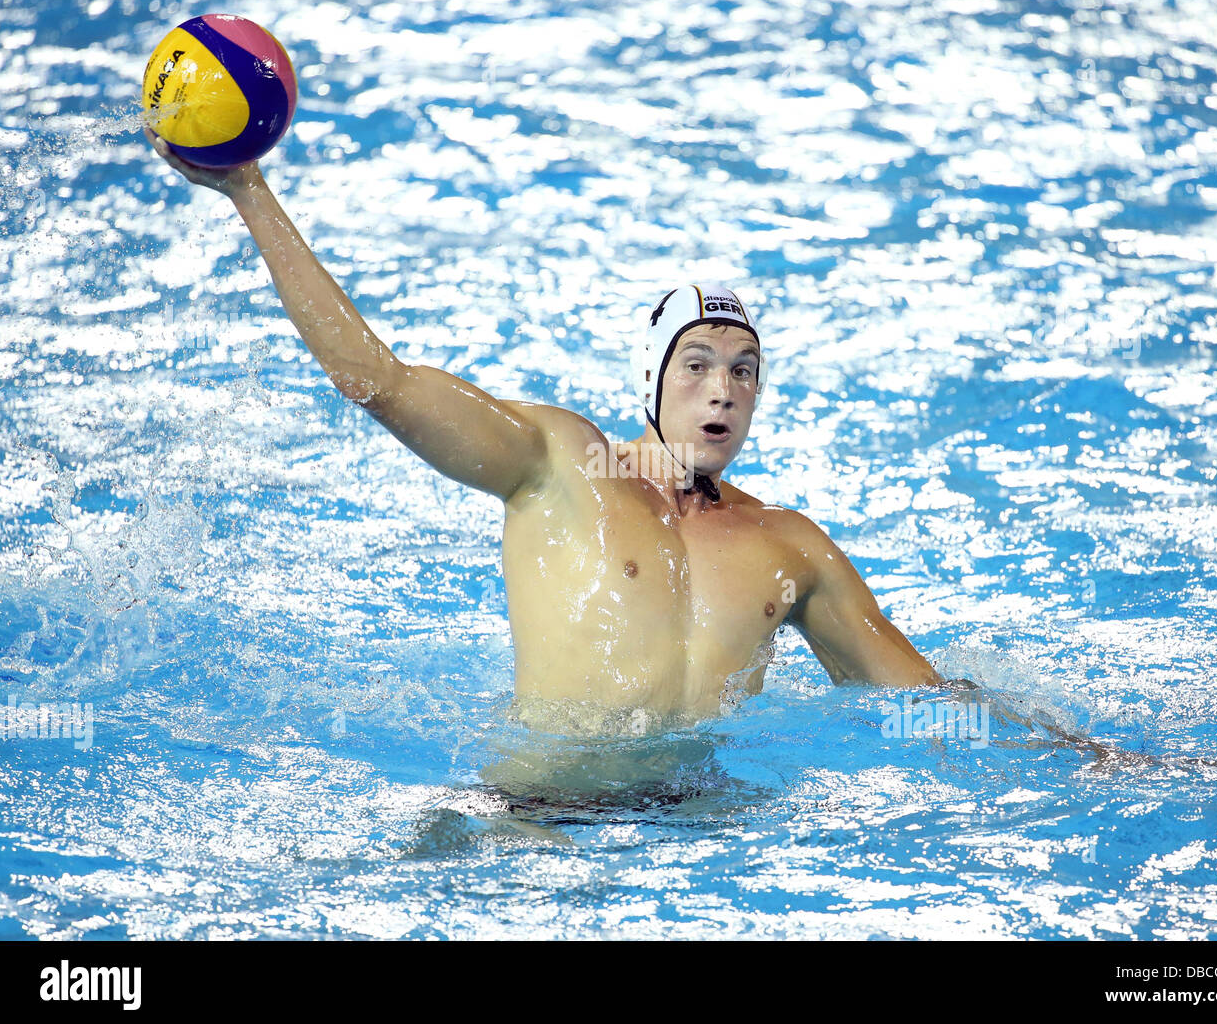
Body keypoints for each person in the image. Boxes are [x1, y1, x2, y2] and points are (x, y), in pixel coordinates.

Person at [145, 129, 945, 726]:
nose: (723, 389)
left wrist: (1059, 745)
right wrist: (249, 190)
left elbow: (929, 703)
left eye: (744, 371)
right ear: (650, 381)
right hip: (546, 808)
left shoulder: (791, 548)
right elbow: (377, 380)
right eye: (696, 363)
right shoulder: (559, 460)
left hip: (705, 825)